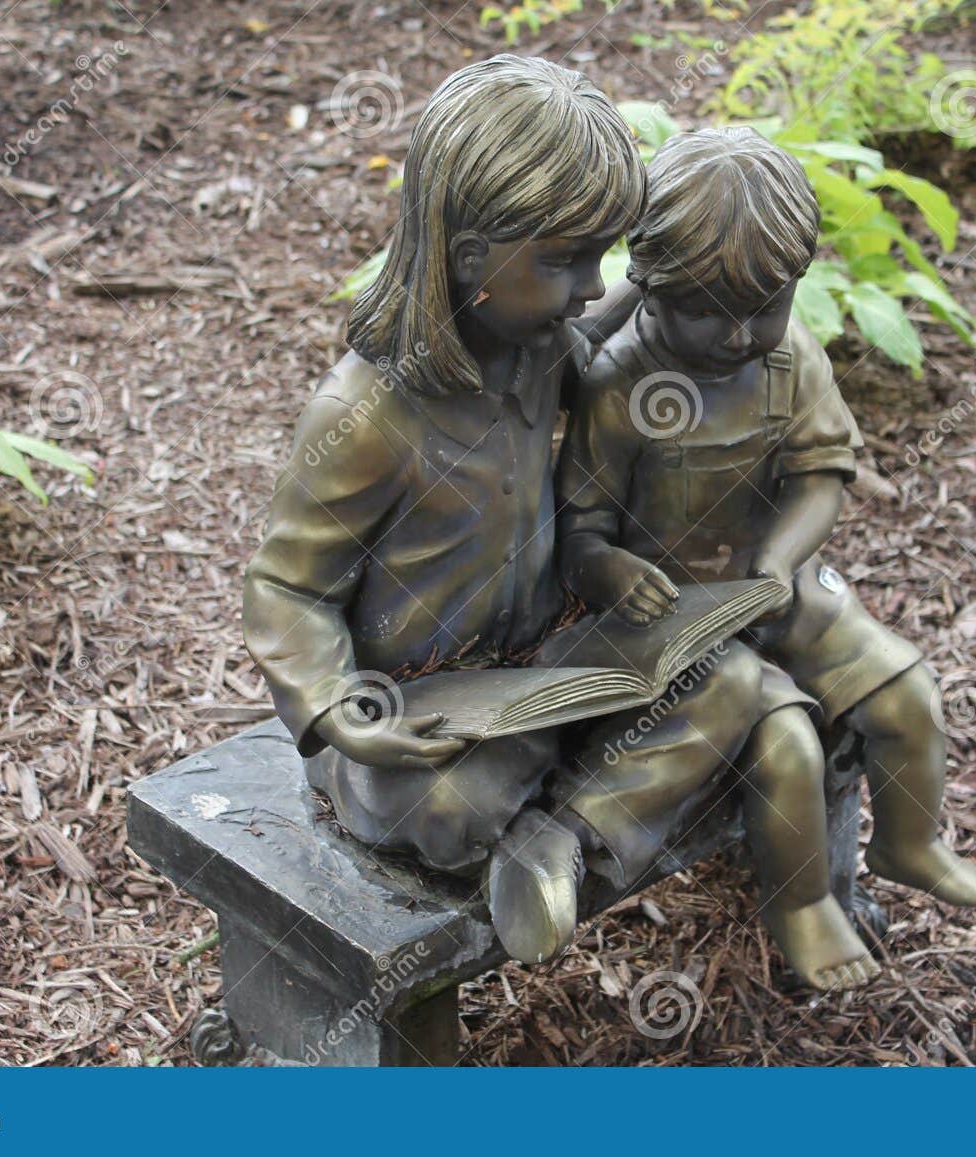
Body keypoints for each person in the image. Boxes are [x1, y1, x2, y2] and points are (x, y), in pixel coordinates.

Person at [242, 58, 769, 967]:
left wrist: (715, 230)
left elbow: (635, 309)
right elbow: (287, 588)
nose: (594, 287)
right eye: (568, 261)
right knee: (450, 804)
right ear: (471, 254)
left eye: (599, 256)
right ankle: (548, 821)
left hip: (542, 662)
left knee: (729, 685)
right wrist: (337, 707)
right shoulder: (367, 417)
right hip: (422, 712)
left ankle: (559, 834)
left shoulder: (534, 350)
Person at [558, 127, 976, 987]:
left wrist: (779, 560)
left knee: (906, 687)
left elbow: (821, 475)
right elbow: (579, 532)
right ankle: (800, 902)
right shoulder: (620, 384)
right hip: (675, 618)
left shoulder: (790, 356)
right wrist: (610, 572)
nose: (737, 336)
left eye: (764, 305)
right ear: (649, 283)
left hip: (775, 580)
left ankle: (911, 842)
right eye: (708, 311)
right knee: (787, 744)